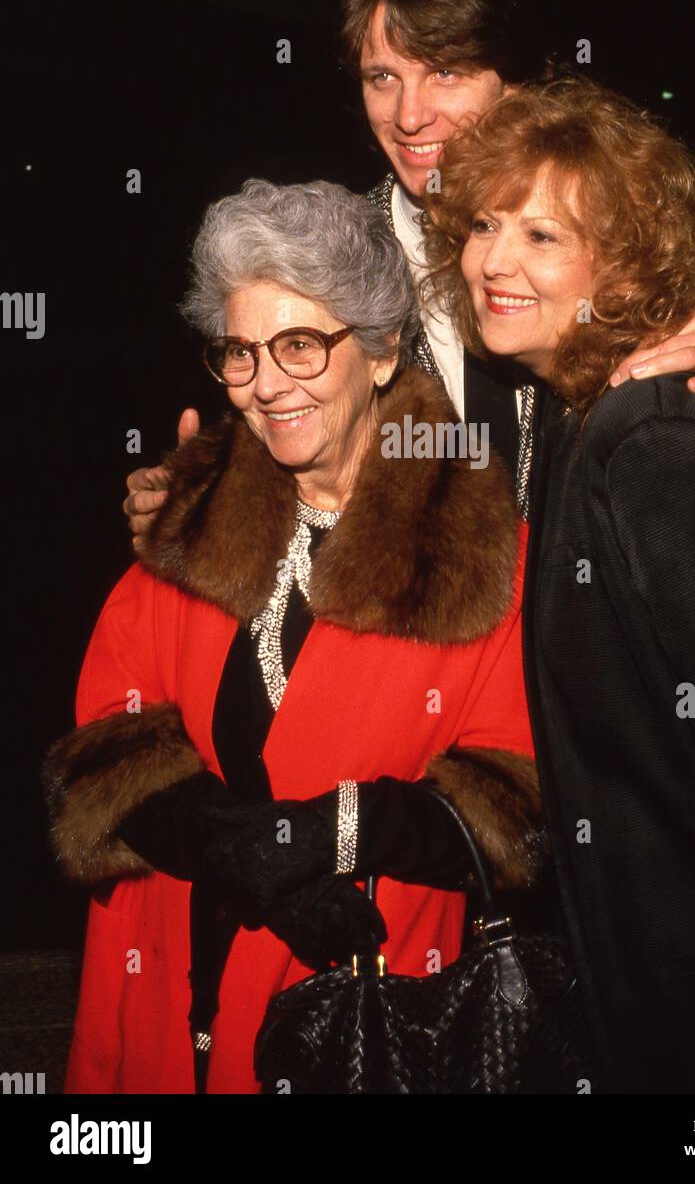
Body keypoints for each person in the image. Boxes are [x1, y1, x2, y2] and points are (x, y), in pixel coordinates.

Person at [123, 0, 695, 544]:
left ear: (512, 80)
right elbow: (295, 427)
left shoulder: (606, 214)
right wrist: (202, 501)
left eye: (445, 72)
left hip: (589, 658)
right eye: (382, 77)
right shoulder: (334, 254)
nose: (408, 115)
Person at [43, 179, 541, 1095]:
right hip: (167, 968)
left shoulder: (478, 559)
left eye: (301, 345)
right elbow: (104, 737)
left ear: (384, 351)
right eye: (240, 351)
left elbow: (517, 803)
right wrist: (231, 842)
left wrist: (331, 836)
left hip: (360, 1000)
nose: (266, 384)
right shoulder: (190, 514)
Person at [424, 77, 695, 1094]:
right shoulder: (590, 414)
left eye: (542, 235)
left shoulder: (661, 435)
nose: (493, 259)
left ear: (622, 267)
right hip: (675, 975)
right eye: (485, 223)